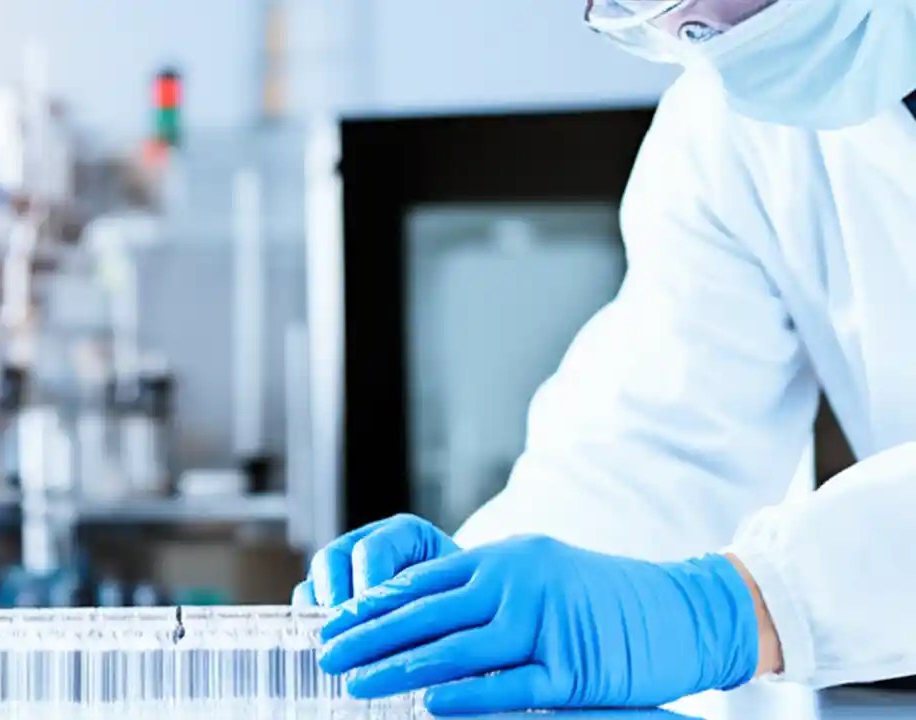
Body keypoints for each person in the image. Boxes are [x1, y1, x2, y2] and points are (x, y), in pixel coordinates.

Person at [292, 0, 916, 715]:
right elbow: (662, 447)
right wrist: (469, 604)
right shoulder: (739, 124)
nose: (703, 25)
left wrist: (740, 607)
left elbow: (705, 608)